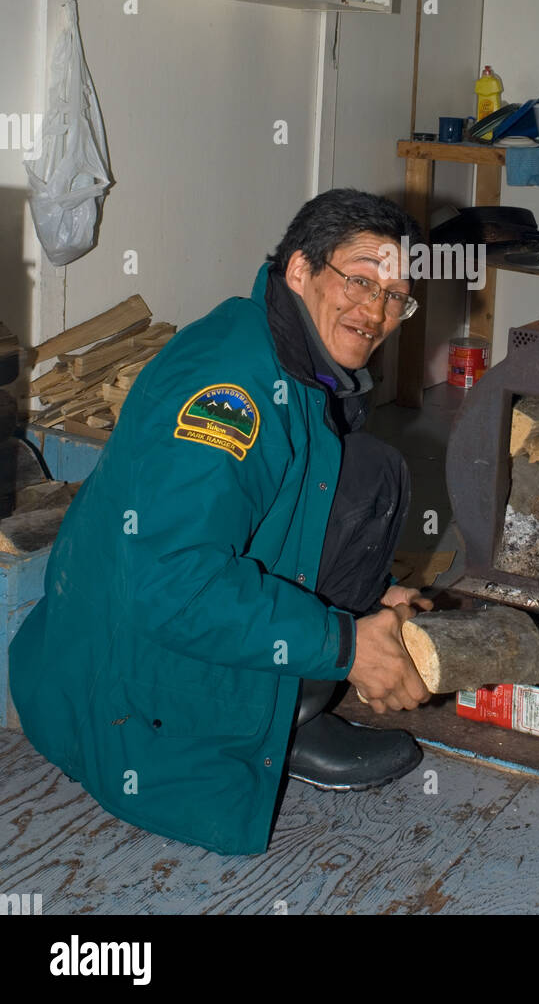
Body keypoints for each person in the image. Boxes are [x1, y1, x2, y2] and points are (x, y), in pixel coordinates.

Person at [10, 189, 435, 856]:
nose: (376, 310)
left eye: (395, 295)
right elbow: (172, 583)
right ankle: (265, 724)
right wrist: (348, 646)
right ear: (301, 271)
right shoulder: (230, 392)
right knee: (359, 480)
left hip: (142, 623)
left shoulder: (285, 349)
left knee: (367, 473)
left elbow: (288, 505)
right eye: (359, 280)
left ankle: (288, 708)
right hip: (129, 706)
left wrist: (369, 598)